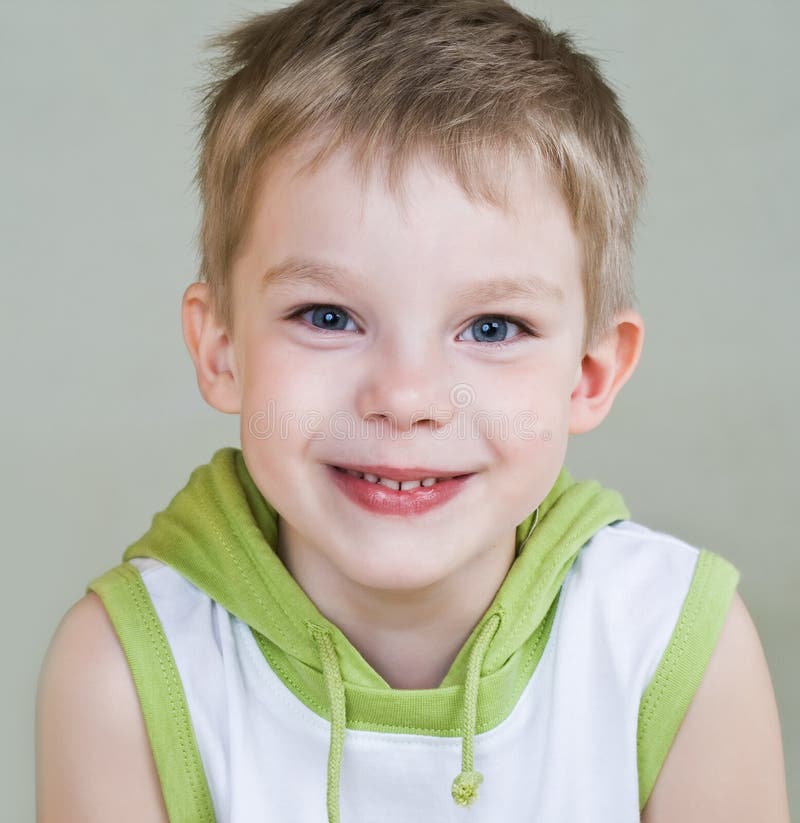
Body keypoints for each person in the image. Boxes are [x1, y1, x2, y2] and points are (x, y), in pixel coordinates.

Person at [35, 1, 790, 821]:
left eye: (493, 327)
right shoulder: (125, 672)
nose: (406, 398)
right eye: (328, 316)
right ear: (221, 347)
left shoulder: (675, 647)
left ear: (590, 372)